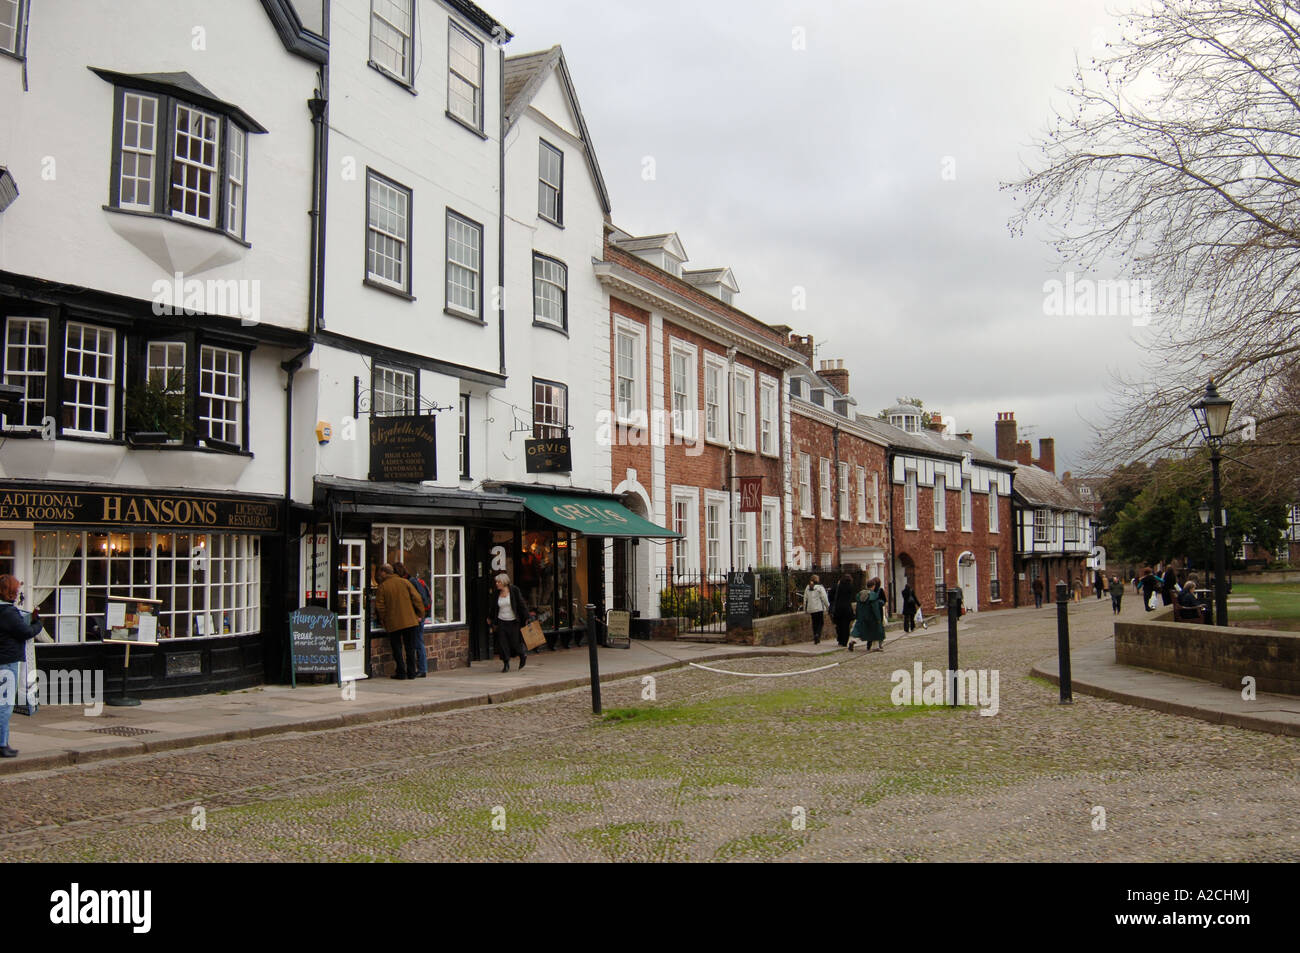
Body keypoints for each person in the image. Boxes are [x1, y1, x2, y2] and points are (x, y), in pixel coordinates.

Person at [0, 575, 42, 758]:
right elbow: (25, 632)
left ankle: (4, 741)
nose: (17, 594)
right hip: (7, 662)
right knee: (5, 705)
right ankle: (1, 744)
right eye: (15, 591)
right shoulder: (9, 613)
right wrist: (37, 624)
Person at [374, 563, 426, 679]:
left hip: (393, 622)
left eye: (380, 573)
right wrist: (420, 614)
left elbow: (380, 606)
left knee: (397, 648)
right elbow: (417, 599)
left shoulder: (383, 586)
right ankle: (412, 673)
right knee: (410, 648)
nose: (379, 576)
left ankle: (401, 673)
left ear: (384, 572)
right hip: (410, 621)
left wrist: (383, 620)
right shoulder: (405, 582)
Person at [486, 573, 532, 672]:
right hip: (501, 621)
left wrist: (528, 616)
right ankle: (506, 664)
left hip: (514, 622)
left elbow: (521, 604)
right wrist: (490, 617)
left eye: (499, 582)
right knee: (503, 644)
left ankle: (522, 655)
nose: (497, 584)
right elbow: (493, 606)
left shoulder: (514, 590)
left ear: (504, 582)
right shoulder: (496, 593)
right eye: (496, 582)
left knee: (515, 643)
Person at [393, 562, 429, 678]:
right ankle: (419, 669)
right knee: (415, 643)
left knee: (418, 642)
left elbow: (422, 599)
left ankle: (422, 669)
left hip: (417, 617)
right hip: (414, 616)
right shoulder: (408, 581)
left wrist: (420, 615)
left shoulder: (412, 582)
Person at [850, 577, 886, 652]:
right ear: (873, 586)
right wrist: (878, 618)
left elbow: (858, 607)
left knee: (860, 630)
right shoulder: (873, 595)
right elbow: (875, 608)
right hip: (871, 616)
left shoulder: (861, 594)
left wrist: (857, 615)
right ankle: (875, 647)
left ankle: (853, 640)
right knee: (875, 630)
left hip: (862, 616)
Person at [802, 575, 830, 645]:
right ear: (817, 580)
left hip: (811, 609)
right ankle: (818, 634)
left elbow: (805, 599)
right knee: (820, 623)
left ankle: (815, 636)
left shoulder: (807, 587)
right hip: (819, 608)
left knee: (814, 623)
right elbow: (824, 598)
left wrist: (804, 609)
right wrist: (828, 606)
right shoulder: (820, 587)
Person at [831, 574, 856, 647]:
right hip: (847, 608)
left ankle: (840, 640)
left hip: (838, 608)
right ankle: (845, 641)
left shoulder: (838, 586)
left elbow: (832, 595)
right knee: (846, 626)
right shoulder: (851, 587)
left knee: (839, 625)